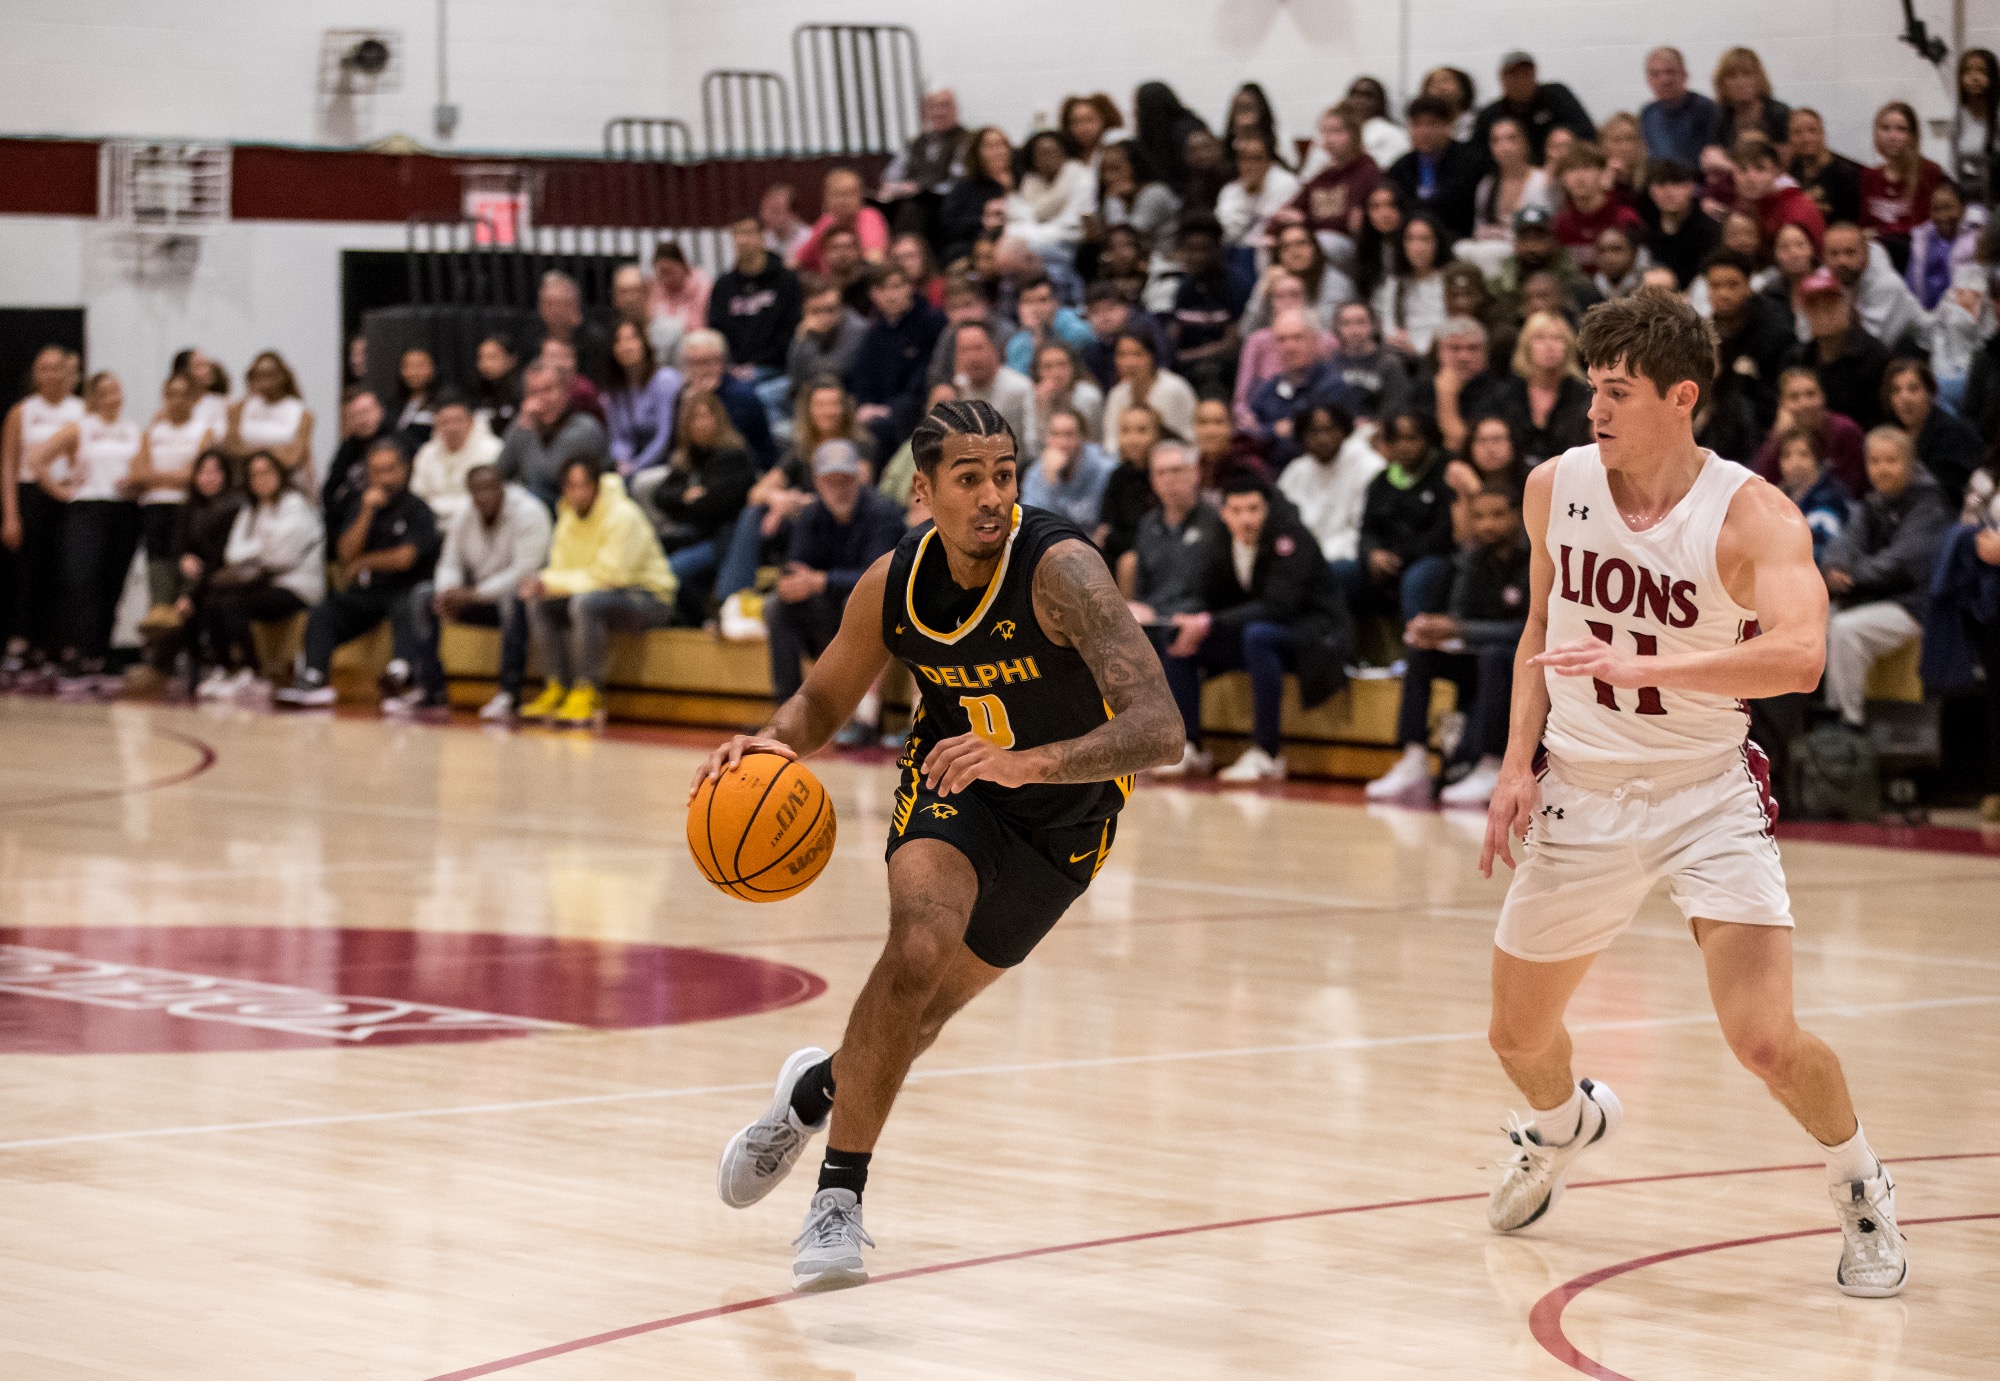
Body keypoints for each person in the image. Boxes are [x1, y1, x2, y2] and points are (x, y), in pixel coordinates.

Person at [1476, 288, 1908, 1301]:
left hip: (1701, 791)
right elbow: (1542, 628)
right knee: (1514, 1036)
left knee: (1761, 1037)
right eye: (1590, 387)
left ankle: (1858, 1182)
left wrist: (1652, 669)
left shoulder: (1751, 515)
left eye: (1616, 392)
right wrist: (1512, 762)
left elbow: (1800, 657)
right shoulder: (1555, 485)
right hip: (1579, 787)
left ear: (1680, 397)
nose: (1594, 408)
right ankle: (1562, 1127)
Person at [706, 398, 1181, 1289]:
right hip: (955, 784)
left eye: (1005, 474)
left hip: (1066, 818)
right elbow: (819, 701)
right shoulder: (893, 582)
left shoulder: (1063, 572)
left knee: (919, 1015)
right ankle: (837, 1199)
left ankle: (814, 1093)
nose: (993, 495)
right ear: (923, 491)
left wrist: (1027, 763)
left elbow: (1162, 728)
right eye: (970, 478)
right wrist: (772, 741)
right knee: (915, 951)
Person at [1158, 476, 1353, 783]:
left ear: (1268, 509)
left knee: (1257, 635)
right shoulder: (1219, 540)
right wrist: (1190, 620)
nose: (1245, 519)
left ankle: (1267, 753)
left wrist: (1209, 621)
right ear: (1223, 513)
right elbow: (1206, 596)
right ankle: (1188, 746)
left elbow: (1280, 606)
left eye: (1253, 509)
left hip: (1313, 637)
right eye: (1235, 510)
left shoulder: (1292, 537)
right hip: (1258, 637)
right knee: (1180, 639)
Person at [1369, 483, 1531, 807]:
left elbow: (1528, 629)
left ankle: (1491, 764)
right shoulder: (1473, 557)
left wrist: (1460, 629)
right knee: (1420, 652)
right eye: (1480, 516)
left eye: (1498, 515)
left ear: (1518, 515)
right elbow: (1459, 614)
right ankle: (1414, 757)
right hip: (1480, 656)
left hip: (1520, 664)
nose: (1487, 524)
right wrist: (1434, 631)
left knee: (1496, 656)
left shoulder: (1537, 557)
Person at [272, 438, 437, 709]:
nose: (382, 478)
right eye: (375, 471)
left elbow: (405, 558)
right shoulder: (359, 506)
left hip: (403, 589)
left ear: (404, 470)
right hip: (366, 593)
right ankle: (314, 677)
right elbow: (347, 553)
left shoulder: (418, 509)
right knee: (323, 613)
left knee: (409, 605)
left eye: (389, 470)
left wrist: (367, 561)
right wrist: (367, 512)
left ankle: (400, 679)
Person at [515, 458, 677, 728]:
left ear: (597, 486)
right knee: (540, 602)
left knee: (584, 603)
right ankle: (557, 686)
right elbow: (559, 569)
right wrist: (545, 583)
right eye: (571, 486)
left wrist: (552, 582)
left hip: (650, 598)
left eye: (584, 485)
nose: (578, 492)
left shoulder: (623, 515)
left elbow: (613, 576)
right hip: (599, 594)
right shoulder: (567, 515)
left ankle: (587, 691)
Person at [763, 438, 905, 741]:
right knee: (777, 605)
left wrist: (820, 581)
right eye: (831, 480)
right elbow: (796, 566)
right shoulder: (811, 516)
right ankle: (786, 714)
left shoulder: (882, 513)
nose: (838, 487)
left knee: (867, 605)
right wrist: (791, 583)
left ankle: (868, 721)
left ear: (859, 478)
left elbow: (879, 578)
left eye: (845, 479)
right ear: (817, 482)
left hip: (884, 621)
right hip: (830, 619)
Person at [1819, 426, 1952, 730]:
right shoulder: (1873, 503)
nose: (1882, 469)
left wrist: (1849, 576)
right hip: (1876, 597)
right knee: (1820, 617)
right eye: (1875, 461)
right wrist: (1834, 566)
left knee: (1845, 628)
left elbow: (1901, 563)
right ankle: (1829, 714)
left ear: (1909, 463)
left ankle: (1849, 721)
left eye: (1891, 461)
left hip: (1917, 606)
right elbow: (1844, 542)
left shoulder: (1929, 505)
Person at [400, 462, 552, 719]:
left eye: (490, 488)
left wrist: (472, 594)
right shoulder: (464, 515)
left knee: (513, 598)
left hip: (521, 601)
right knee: (422, 598)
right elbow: (450, 561)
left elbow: (522, 573)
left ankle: (509, 693)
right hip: (475, 597)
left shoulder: (530, 513)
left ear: (503, 487)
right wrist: (447, 592)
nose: (483, 496)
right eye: (476, 490)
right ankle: (431, 689)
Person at [30, 371, 144, 676]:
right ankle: (77, 651)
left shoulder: (133, 430)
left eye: (117, 390)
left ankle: (100, 653)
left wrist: (136, 481)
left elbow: (141, 470)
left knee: (113, 583)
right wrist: (60, 490)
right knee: (82, 581)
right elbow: (38, 458)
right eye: (106, 391)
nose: (113, 397)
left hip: (124, 511)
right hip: (87, 509)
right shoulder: (80, 427)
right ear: (93, 397)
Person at [1122, 447, 1225, 759]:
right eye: (1161, 473)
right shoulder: (1148, 525)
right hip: (1158, 615)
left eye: (1177, 471)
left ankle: (1187, 743)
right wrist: (1137, 607)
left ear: (1195, 474)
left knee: (1175, 639)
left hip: (1204, 618)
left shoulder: (1215, 522)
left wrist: (1171, 614)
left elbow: (1218, 588)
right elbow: (1144, 589)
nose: (1169, 480)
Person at [195, 450, 323, 700]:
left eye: (266, 472)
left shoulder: (295, 505)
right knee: (213, 599)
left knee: (234, 604)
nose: (260, 479)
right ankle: (223, 668)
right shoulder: (251, 510)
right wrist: (265, 547)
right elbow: (233, 554)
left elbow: (283, 557)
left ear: (279, 474)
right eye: (254, 475)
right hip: (263, 582)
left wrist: (256, 551)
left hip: (297, 587)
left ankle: (252, 671)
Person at [1, 346, 84, 672]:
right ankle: (23, 641)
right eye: (44, 368)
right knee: (29, 571)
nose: (51, 374)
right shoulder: (22, 412)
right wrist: (10, 514)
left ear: (67, 373)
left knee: (65, 572)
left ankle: (58, 644)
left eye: (56, 368)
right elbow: (8, 466)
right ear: (35, 374)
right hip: (31, 496)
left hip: (69, 495)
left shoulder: (81, 409)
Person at [640, 389, 757, 608]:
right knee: (647, 566)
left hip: (722, 540)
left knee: (672, 570)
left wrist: (684, 504)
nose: (701, 423)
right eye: (695, 418)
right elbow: (660, 495)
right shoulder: (688, 458)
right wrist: (685, 497)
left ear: (718, 419)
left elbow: (714, 506)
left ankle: (698, 622)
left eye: (706, 416)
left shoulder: (733, 456)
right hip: (691, 535)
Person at [142, 447, 238, 687]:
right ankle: (170, 654)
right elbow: (177, 545)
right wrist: (184, 557)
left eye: (216, 471)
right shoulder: (188, 508)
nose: (209, 477)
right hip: (191, 575)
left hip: (220, 576)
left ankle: (168, 663)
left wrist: (189, 593)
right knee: (164, 571)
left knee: (197, 601)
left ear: (226, 475)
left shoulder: (233, 508)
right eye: (204, 471)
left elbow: (223, 557)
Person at [1352, 410, 1457, 626]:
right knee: (1338, 573)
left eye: (1412, 438)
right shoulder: (1381, 481)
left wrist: (1399, 557)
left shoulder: (1445, 475)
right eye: (1396, 439)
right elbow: (1367, 529)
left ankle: (1416, 654)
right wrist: (1371, 553)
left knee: (1416, 579)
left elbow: (1444, 531)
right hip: (1384, 560)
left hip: (1434, 559)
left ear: (1428, 439)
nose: (1404, 446)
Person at [131, 371, 215, 617]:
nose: (176, 400)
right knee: (159, 570)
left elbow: (198, 475)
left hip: (188, 509)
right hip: (155, 509)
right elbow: (139, 474)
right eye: (171, 395)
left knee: (186, 569)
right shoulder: (153, 431)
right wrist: (178, 475)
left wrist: (156, 477)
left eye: (182, 395)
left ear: (193, 398)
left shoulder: (203, 431)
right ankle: (161, 621)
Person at [847, 263, 948, 461]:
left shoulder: (931, 321)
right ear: (873, 295)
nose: (890, 295)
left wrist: (889, 409)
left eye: (896, 286)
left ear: (909, 287)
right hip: (880, 411)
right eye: (882, 289)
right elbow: (863, 377)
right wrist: (864, 405)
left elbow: (929, 375)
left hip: (917, 409)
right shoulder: (874, 333)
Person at [708, 215, 805, 412]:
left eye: (748, 233)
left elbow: (791, 330)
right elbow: (716, 332)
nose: (742, 240)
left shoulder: (786, 281)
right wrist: (731, 366)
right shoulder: (723, 286)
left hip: (777, 369)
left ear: (762, 237)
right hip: (732, 369)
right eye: (737, 234)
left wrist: (757, 364)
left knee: (754, 398)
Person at [1278, 400, 1383, 568]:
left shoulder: (1369, 466)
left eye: (1329, 430)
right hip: (1303, 557)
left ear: (1344, 430)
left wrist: (1317, 556)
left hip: (1349, 558)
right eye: (1313, 432)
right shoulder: (1296, 471)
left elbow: (1363, 530)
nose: (1323, 439)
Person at [497, 361, 610, 510]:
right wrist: (518, 427)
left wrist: (525, 432)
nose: (542, 399)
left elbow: (547, 477)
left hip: (577, 510)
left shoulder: (584, 428)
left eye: (548, 390)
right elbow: (499, 474)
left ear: (564, 391)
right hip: (536, 511)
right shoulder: (524, 427)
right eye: (533, 393)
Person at [1790, 267, 1891, 431]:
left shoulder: (1874, 356)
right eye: (1813, 305)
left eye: (1830, 302)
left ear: (1847, 305)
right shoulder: (1798, 359)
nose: (1822, 313)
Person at [1245, 308, 1358, 452]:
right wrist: (1274, 430)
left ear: (1315, 339)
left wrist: (1270, 431)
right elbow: (1248, 432)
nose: (1289, 347)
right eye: (1281, 340)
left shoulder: (1334, 385)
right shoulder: (1269, 388)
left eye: (1297, 338)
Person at [1751, 366, 1868, 498]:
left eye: (1811, 394)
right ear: (1783, 404)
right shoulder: (1781, 433)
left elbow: (1857, 488)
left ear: (1823, 396)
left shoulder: (1844, 430)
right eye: (1794, 397)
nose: (1804, 403)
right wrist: (1777, 436)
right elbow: (1759, 485)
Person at [1233, 272, 1330, 429]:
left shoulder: (1325, 339)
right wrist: (1252, 422)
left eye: (1295, 295)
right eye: (1279, 296)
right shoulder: (1257, 341)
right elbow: (1242, 399)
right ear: (1271, 302)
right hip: (1267, 415)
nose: (1288, 302)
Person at [1495, 312, 1593, 465]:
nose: (1550, 345)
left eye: (1557, 338)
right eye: (1540, 338)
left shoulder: (1584, 395)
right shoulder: (1507, 393)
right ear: (1527, 346)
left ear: (1568, 347)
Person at [1285, 104, 1378, 267]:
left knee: (1321, 243)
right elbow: (1289, 211)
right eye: (1325, 132)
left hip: (1352, 249)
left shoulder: (1366, 171)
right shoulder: (1323, 176)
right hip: (1317, 243)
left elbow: (1347, 222)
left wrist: (1305, 220)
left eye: (1336, 131)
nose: (1329, 139)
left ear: (1354, 133)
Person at [1883, 358, 1982, 508]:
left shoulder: (1954, 435)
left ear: (1931, 393)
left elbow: (1947, 496)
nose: (1905, 398)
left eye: (1913, 389)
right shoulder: (1891, 434)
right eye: (1896, 391)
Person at [676, 329, 777, 470]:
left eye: (705, 362)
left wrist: (705, 399)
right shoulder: (683, 394)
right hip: (697, 466)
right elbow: (678, 445)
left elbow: (732, 443)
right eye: (693, 363)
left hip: (741, 467)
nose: (699, 370)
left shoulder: (741, 395)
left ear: (721, 361)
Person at [1860, 102, 1944, 271]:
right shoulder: (1870, 176)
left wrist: (1883, 234)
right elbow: (1864, 227)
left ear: (1913, 135)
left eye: (1901, 129)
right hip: (1878, 262)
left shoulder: (1928, 173)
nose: (1892, 136)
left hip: (1917, 261)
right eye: (1885, 128)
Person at [1387, 96, 1481, 242]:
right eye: (1417, 125)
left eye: (1431, 124)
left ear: (1447, 126)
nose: (1424, 132)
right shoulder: (1401, 166)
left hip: (1456, 236)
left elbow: (1454, 203)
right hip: (1409, 239)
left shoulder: (1468, 161)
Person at [876, 88, 966, 239]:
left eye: (944, 105)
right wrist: (900, 188)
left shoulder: (966, 141)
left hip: (949, 203)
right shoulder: (914, 143)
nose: (939, 112)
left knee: (913, 210)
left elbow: (959, 181)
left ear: (955, 109)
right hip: (913, 202)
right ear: (925, 112)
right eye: (933, 106)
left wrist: (920, 188)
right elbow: (889, 178)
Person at [1468, 117, 1557, 263]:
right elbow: (1479, 227)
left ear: (1525, 144)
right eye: (1496, 141)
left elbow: (1552, 224)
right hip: (1494, 252)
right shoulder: (1486, 185)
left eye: (1511, 139)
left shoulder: (1542, 181)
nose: (1504, 146)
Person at [602, 322, 683, 479]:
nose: (626, 346)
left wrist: (637, 466)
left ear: (645, 343)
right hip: (633, 464)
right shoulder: (615, 391)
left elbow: (665, 435)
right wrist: (622, 461)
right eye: (619, 341)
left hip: (668, 460)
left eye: (632, 339)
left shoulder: (665, 380)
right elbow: (619, 437)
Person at [409, 391, 502, 527]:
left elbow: (489, 500)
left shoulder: (493, 450)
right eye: (445, 422)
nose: (452, 428)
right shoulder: (426, 453)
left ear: (470, 422)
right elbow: (417, 495)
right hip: (432, 524)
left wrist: (438, 505)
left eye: (458, 420)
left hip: (476, 524)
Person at [1552, 144, 1646, 275]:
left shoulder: (1625, 218)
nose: (1579, 177)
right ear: (1562, 179)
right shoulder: (1559, 223)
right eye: (1571, 169)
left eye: (1587, 168)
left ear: (1603, 173)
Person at [1019, 406, 1114, 530]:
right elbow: (1032, 525)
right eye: (1055, 434)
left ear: (1082, 438)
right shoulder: (1035, 473)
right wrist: (1051, 482)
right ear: (1047, 439)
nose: (1062, 443)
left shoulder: (1104, 471)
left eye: (1069, 435)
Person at [1096, 403, 1168, 566]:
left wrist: (1114, 537)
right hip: (1121, 557)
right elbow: (1105, 530)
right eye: (1126, 431)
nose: (1133, 439)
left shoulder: (1166, 472)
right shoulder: (1118, 476)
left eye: (1142, 430)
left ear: (1157, 434)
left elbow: (1164, 533)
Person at [1216, 130, 1299, 266]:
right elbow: (1226, 232)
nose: (1250, 165)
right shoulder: (1231, 190)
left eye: (1256, 158)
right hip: (1236, 251)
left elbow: (1273, 227)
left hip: (1274, 250)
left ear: (1270, 159)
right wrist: (1246, 196)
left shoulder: (1285, 183)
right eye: (1244, 159)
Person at [225, 351, 312, 479]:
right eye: (258, 375)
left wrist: (258, 451)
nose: (264, 381)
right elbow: (231, 447)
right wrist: (275, 451)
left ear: (283, 376)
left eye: (270, 374)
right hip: (244, 481)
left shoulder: (301, 412)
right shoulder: (238, 409)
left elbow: (294, 457)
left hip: (286, 482)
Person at [1373, 214, 1451, 356]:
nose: (1417, 247)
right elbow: (1388, 328)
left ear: (1437, 243)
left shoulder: (1448, 280)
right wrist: (1399, 341)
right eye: (1410, 239)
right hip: (1404, 356)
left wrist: (1419, 349)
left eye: (1425, 239)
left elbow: (1447, 325)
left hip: (1439, 354)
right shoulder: (1395, 283)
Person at [1770, 426, 1852, 559]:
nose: (1794, 463)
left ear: (1818, 459)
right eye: (1787, 456)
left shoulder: (1831, 498)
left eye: (1804, 454)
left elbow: (1815, 553)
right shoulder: (1773, 498)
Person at [949, 321, 1034, 449]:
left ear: (994, 349)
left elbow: (1032, 444)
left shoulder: (1020, 388)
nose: (973, 357)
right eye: (965, 350)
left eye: (978, 348)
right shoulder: (957, 388)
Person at [1008, 130, 1095, 255]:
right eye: (1041, 153)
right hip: (1038, 240)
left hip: (1072, 244)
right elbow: (1023, 216)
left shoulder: (1080, 175)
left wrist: (1028, 232)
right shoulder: (1031, 181)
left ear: (1064, 153)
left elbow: (1072, 225)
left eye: (1052, 152)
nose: (1047, 158)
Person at [1102, 330, 1196, 445]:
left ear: (1152, 356)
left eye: (1137, 354)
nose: (1129, 363)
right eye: (1122, 355)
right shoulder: (1116, 394)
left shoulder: (1174, 389)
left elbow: (1188, 437)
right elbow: (1110, 441)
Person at [1904, 179, 1983, 312]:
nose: (1942, 216)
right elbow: (1909, 289)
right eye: (1936, 209)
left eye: (1947, 208)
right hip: (1924, 319)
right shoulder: (1922, 240)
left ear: (1963, 209)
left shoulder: (1978, 241)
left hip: (1961, 321)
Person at [939, 126, 1015, 265]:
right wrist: (982, 220)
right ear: (977, 152)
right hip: (975, 243)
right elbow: (950, 223)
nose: (997, 151)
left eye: (1000, 145)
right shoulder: (965, 186)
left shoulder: (1023, 180)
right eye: (989, 146)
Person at [1733, 139, 1825, 252]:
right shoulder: (1742, 207)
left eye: (1760, 168)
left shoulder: (1798, 209)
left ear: (1776, 172)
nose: (1750, 178)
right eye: (1742, 169)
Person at [523, 272, 611, 390]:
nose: (554, 311)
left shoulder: (596, 339)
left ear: (574, 304)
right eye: (548, 303)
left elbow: (598, 384)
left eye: (560, 303)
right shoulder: (530, 336)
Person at [794, 168, 890, 275]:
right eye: (837, 194)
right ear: (826, 198)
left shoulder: (869, 217)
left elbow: (874, 260)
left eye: (850, 193)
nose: (844, 200)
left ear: (860, 196)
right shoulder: (826, 222)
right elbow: (798, 261)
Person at [1327, 301, 1413, 418]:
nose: (1354, 331)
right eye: (1346, 324)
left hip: (1379, 430)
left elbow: (1398, 408)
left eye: (1361, 322)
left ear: (1374, 325)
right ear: (1336, 328)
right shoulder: (1329, 364)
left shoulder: (1390, 363)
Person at [1639, 47, 1723, 167]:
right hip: (1660, 182)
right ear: (1649, 80)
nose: (1664, 80)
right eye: (1655, 74)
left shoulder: (1706, 109)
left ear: (1684, 74)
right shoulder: (1648, 114)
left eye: (1670, 72)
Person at [1638, 160, 1715, 290]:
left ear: (1690, 187)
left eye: (1676, 183)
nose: (1668, 191)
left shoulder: (1708, 230)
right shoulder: (1645, 226)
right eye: (1661, 184)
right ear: (1651, 190)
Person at [1785, 108, 1862, 231]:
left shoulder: (1846, 173)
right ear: (1789, 138)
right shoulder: (1791, 171)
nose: (1806, 138)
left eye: (1812, 130)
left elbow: (1851, 222)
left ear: (1822, 133)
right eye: (1797, 133)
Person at [1005, 275, 1093, 377]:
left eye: (1042, 300)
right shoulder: (1016, 344)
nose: (1035, 308)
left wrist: (1038, 332)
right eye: (1028, 302)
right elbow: (1019, 384)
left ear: (1055, 303)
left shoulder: (1075, 330)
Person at [1713, 47, 1791, 153]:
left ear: (1759, 78)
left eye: (1747, 74)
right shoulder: (1718, 115)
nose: (1740, 83)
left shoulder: (1779, 113)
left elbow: (1790, 155)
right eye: (1732, 76)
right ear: (1722, 83)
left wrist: (1764, 143)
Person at [1029, 340, 1104, 448]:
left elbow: (1095, 442)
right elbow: (1033, 450)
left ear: (1073, 368)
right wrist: (1042, 408)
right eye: (1048, 366)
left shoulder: (1088, 396)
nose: (1056, 373)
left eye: (1062, 364)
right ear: (1037, 371)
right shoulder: (1032, 396)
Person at [1948, 48, 1999, 204]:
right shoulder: (1960, 115)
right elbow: (1954, 163)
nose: (1974, 77)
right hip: (1970, 194)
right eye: (1968, 71)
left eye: (1981, 71)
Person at [1343, 76, 1410, 171]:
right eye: (1355, 94)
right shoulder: (1339, 132)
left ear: (1380, 101)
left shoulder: (1392, 133)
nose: (1359, 101)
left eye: (1367, 96)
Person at [471, 335, 521, 439]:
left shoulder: (521, 391)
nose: (485, 364)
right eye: (481, 358)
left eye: (493, 357)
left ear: (511, 359)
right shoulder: (476, 391)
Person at [391, 348, 438, 453]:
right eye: (408, 366)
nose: (413, 372)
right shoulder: (393, 404)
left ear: (433, 368)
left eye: (420, 366)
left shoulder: (441, 403)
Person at [1590, 224, 1648, 301]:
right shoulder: (1590, 291)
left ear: (1634, 253)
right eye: (1601, 251)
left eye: (1616, 249)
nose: (1608, 257)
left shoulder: (1652, 285)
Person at [761, 181, 812, 265]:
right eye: (765, 209)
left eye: (776, 210)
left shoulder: (809, 238)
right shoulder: (762, 241)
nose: (767, 216)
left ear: (792, 214)